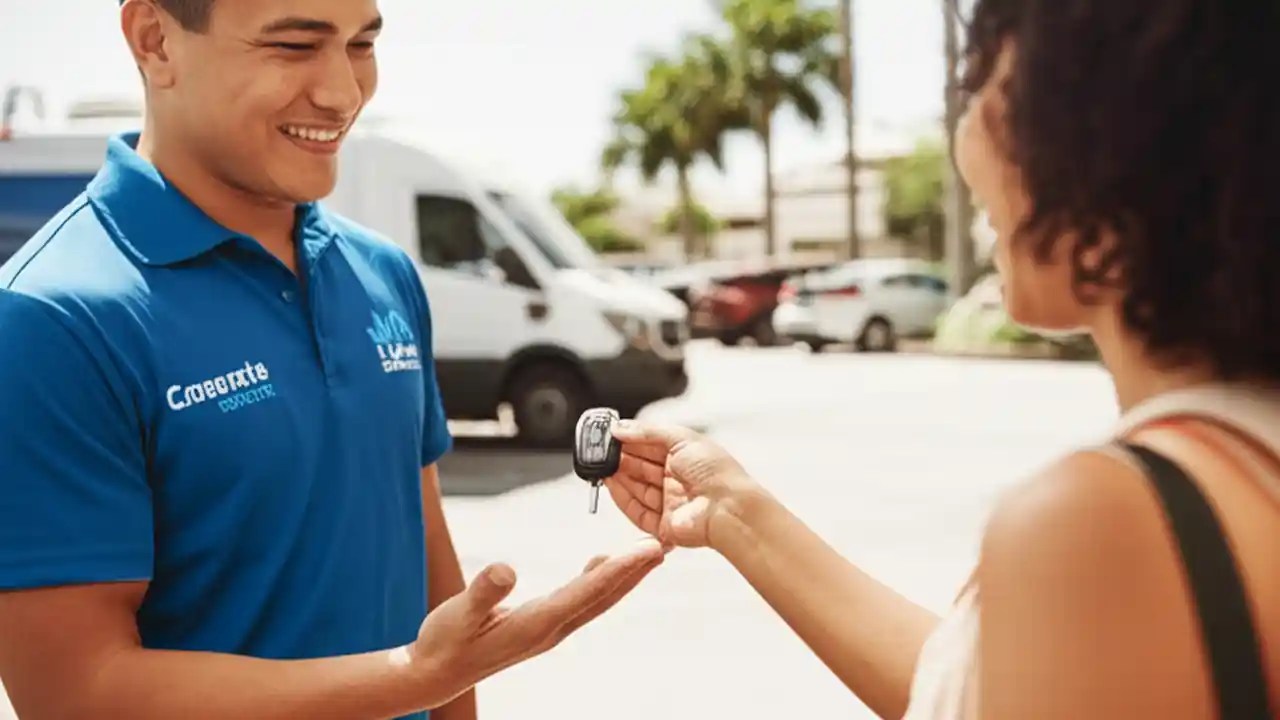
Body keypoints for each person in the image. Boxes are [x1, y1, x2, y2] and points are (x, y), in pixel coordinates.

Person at [604, 1, 1280, 718]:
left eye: (987, 79)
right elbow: (973, 694)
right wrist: (735, 514)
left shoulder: (1105, 523)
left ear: (1122, 153)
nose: (964, 136)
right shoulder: (1245, 460)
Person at [0, 1, 664, 718]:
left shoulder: (382, 272)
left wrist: (441, 683)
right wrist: (412, 677)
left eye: (361, 44)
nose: (343, 92)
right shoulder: (51, 315)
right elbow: (74, 693)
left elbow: (430, 566)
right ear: (156, 41)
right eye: (293, 45)